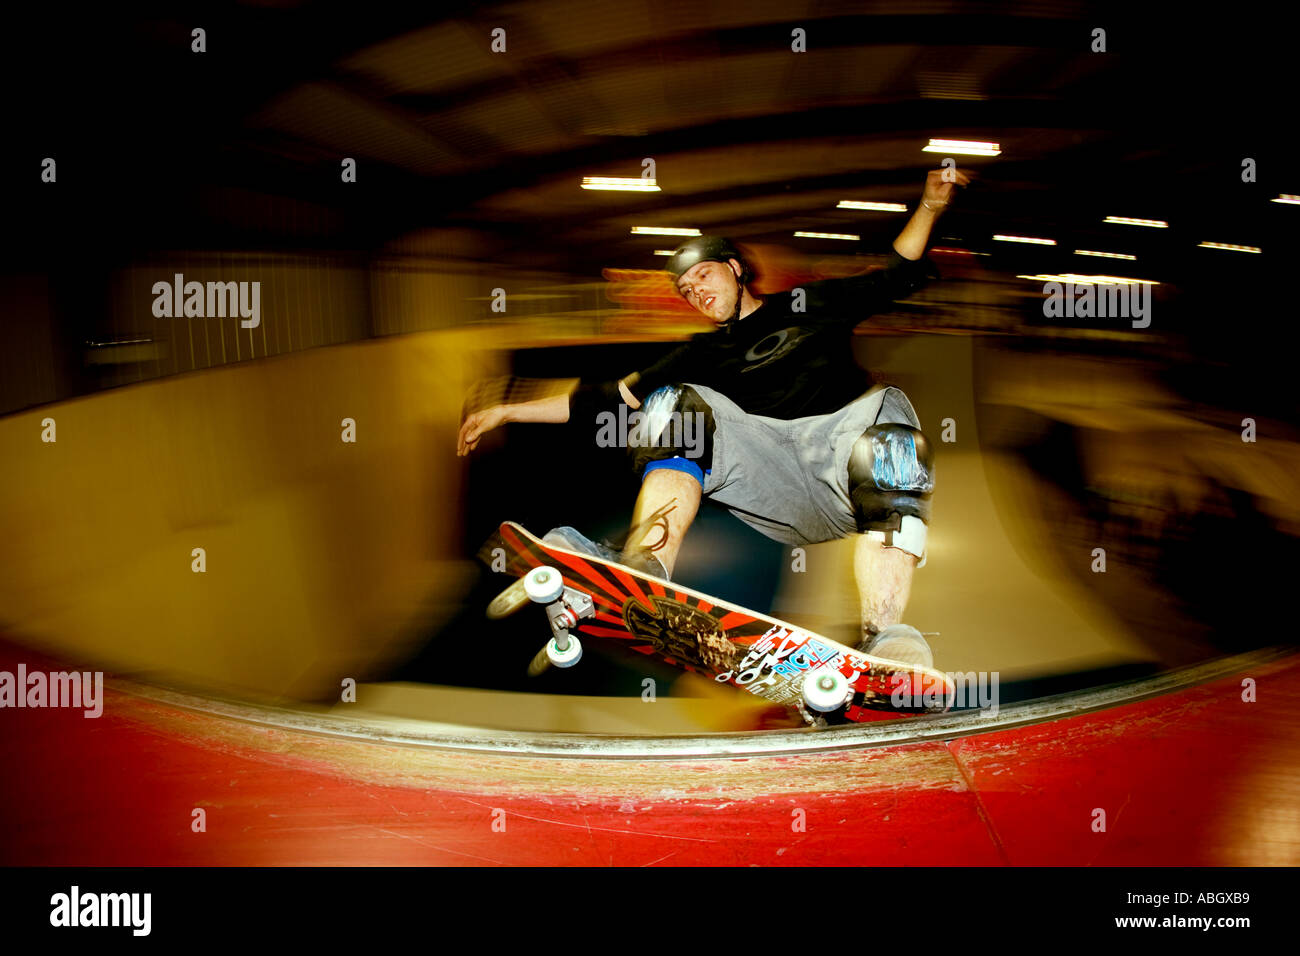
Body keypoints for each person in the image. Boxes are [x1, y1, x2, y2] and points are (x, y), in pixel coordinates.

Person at [459, 167, 970, 667]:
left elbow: (895, 272)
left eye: (703, 274)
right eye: (685, 289)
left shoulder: (808, 303)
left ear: (735, 268)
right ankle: (644, 568)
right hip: (775, 486)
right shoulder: (700, 353)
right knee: (673, 402)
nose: (695, 290)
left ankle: (885, 639)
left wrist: (928, 206)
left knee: (891, 429)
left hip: (845, 467)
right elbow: (605, 398)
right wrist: (508, 409)